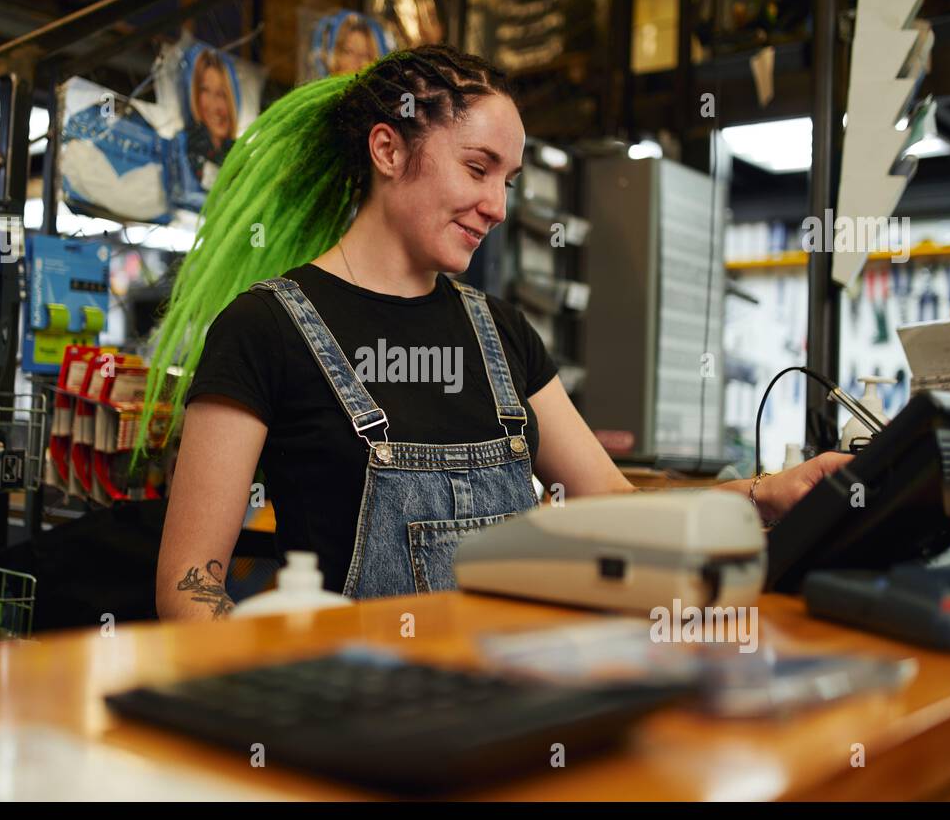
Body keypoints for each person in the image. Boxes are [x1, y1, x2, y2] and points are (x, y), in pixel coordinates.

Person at [139, 44, 850, 621]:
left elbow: (617, 510)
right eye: (478, 168)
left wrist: (769, 494)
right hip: (358, 720)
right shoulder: (265, 329)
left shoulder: (500, 333)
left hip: (515, 697)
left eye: (508, 179)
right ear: (387, 151)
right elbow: (189, 584)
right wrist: (282, 691)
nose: (498, 206)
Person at [184, 47, 237, 185]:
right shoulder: (186, 146)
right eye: (205, 91)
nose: (215, 106)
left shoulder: (239, 155)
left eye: (222, 94)